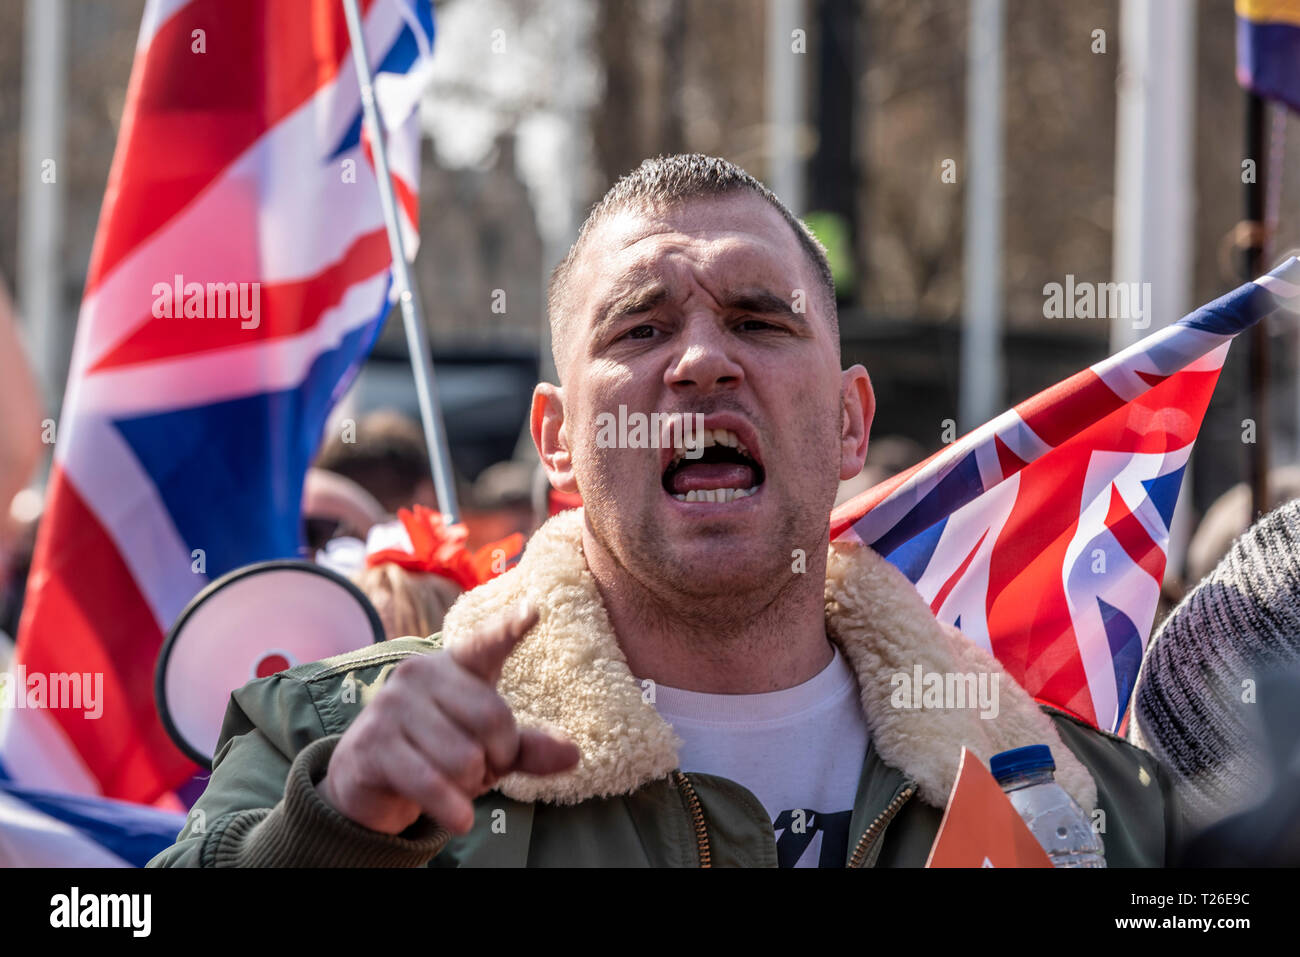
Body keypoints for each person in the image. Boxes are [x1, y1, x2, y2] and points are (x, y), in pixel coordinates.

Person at [150, 154, 1184, 868]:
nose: (700, 360)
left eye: (756, 319)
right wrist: (334, 836)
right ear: (555, 439)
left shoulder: (1080, 805)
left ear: (848, 421)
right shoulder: (328, 742)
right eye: (639, 329)